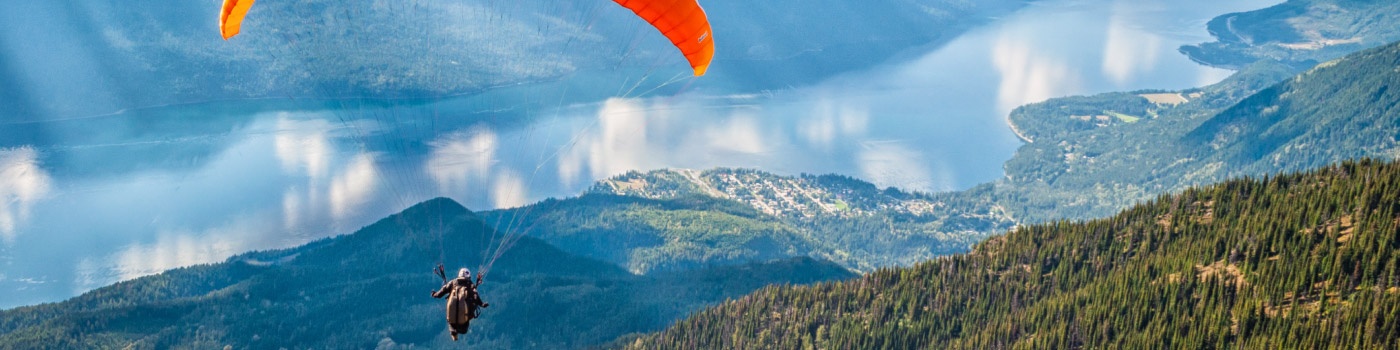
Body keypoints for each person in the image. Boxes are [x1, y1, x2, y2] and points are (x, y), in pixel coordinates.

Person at [432, 267, 489, 341]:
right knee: (464, 327)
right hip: (464, 321)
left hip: (451, 319)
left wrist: (435, 294)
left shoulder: (453, 283)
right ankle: (457, 331)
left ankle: (453, 333)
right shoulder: (470, 285)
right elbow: (475, 295)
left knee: (450, 319)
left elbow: (443, 290)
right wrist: (482, 304)